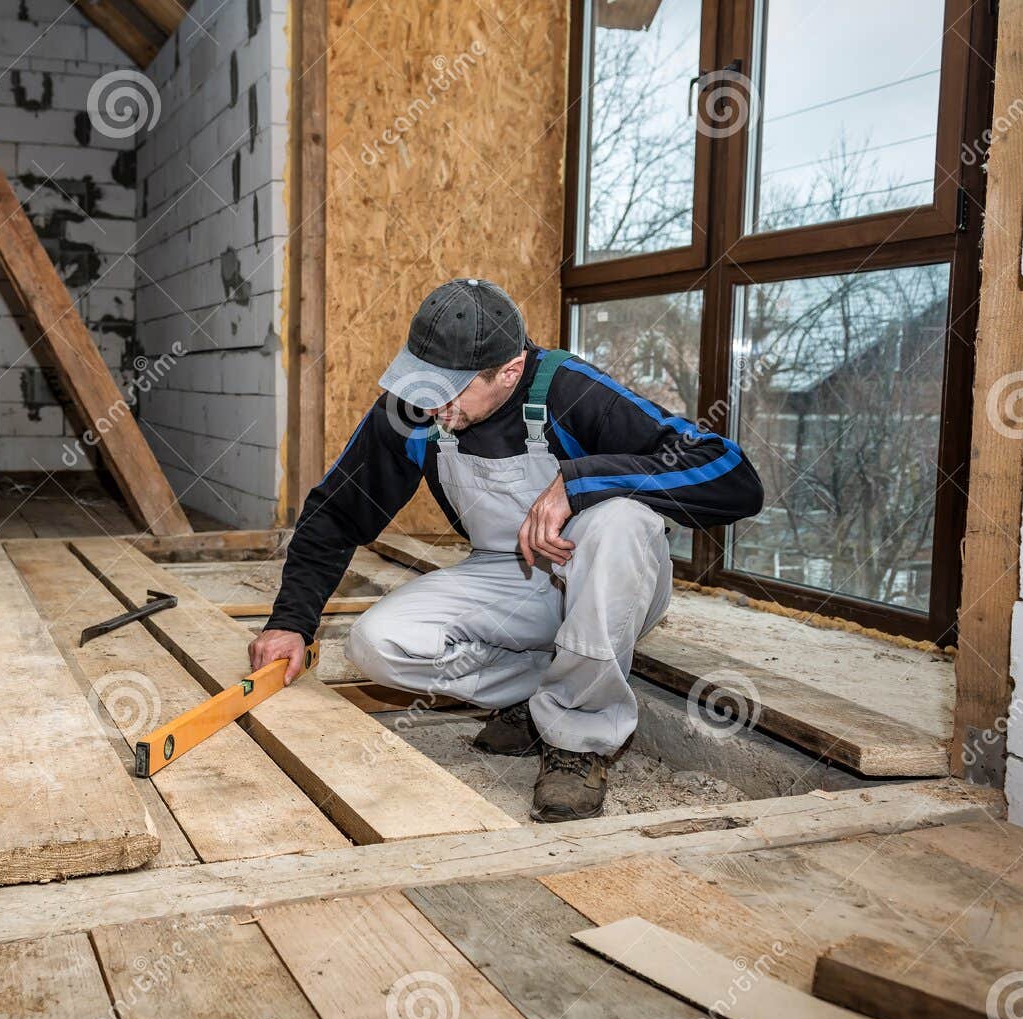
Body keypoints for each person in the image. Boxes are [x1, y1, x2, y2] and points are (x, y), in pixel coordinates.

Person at [249, 278, 764, 821]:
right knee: (377, 643)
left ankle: (578, 741)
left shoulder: (568, 389)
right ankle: (542, 690)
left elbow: (733, 476)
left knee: (619, 518)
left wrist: (581, 481)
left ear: (510, 371)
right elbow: (335, 512)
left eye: (450, 390)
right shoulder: (416, 411)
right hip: (509, 574)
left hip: (605, 577)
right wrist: (291, 622)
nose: (431, 404)